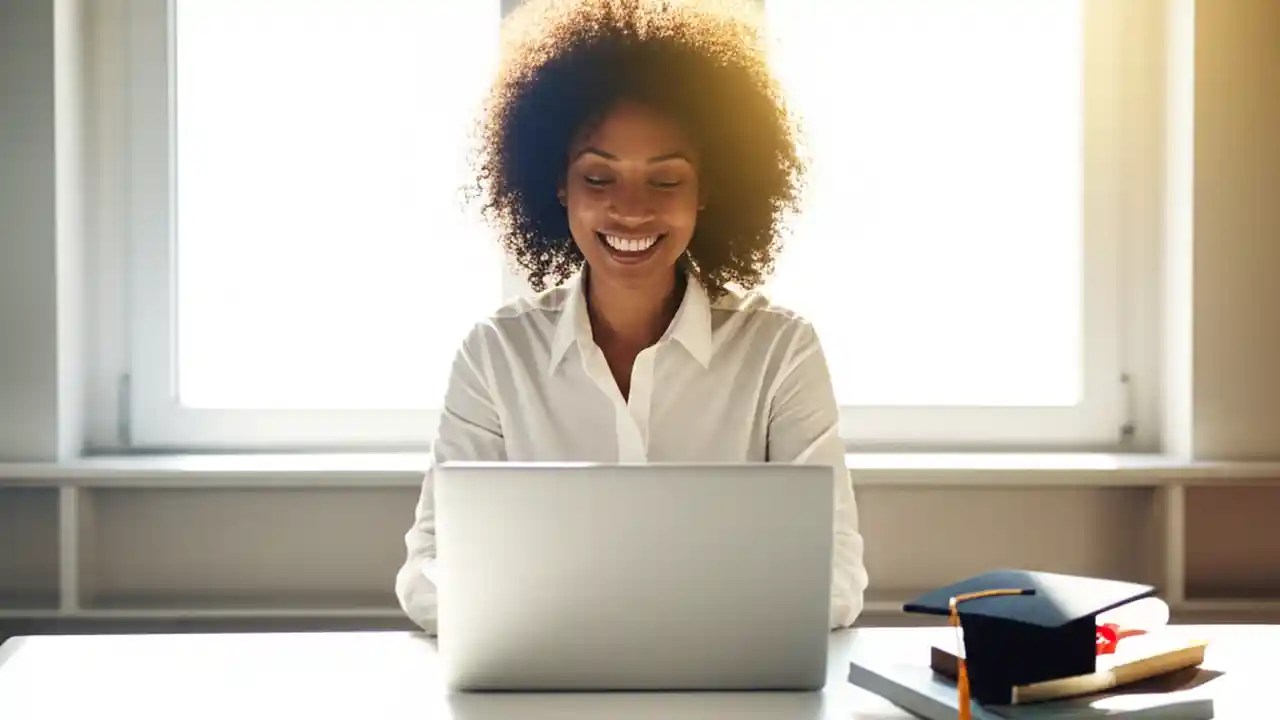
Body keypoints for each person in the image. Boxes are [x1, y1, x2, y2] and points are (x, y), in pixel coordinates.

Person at [395, 0, 868, 635]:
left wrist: (627, 622)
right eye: (599, 176)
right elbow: (428, 568)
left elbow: (835, 579)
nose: (631, 210)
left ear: (709, 189)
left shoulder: (781, 353)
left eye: (665, 181)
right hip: (549, 681)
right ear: (558, 183)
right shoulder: (494, 356)